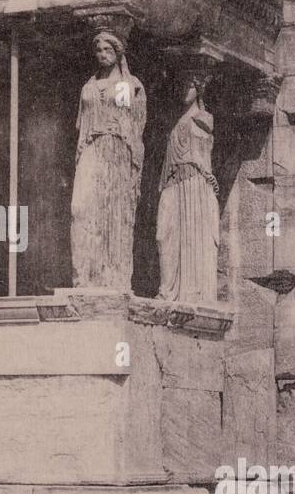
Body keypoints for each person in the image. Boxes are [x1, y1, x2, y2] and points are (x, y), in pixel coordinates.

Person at [70, 31, 146, 290]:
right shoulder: (88, 87)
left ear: (118, 54)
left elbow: (132, 122)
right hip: (91, 148)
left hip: (116, 149)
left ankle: (113, 277)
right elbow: (82, 124)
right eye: (99, 50)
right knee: (81, 209)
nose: (102, 54)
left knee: (113, 211)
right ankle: (85, 275)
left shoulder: (127, 84)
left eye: (107, 50)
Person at [156, 71, 219, 303]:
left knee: (191, 236)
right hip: (173, 181)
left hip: (194, 184)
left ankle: (190, 294)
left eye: (190, 85)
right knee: (164, 234)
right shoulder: (174, 122)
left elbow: (205, 156)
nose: (185, 90)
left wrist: (209, 177)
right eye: (181, 85)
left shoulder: (203, 119)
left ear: (199, 89)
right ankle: (168, 290)